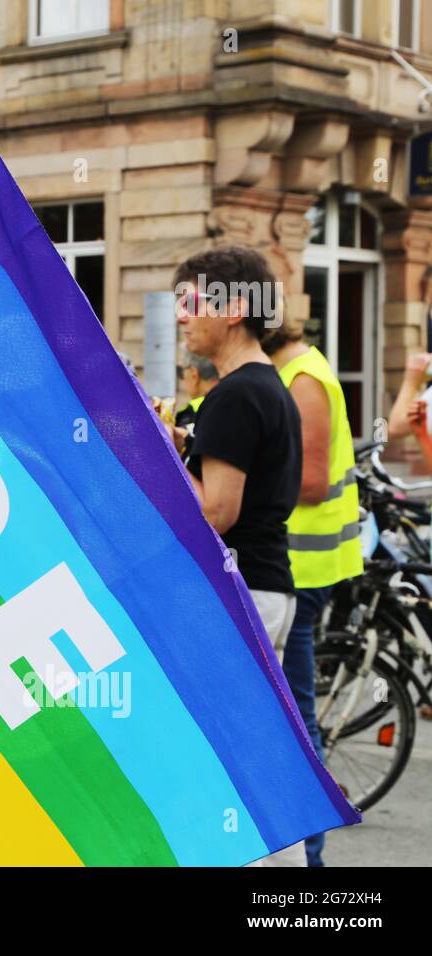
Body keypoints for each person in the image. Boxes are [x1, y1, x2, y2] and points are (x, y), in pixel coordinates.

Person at [166, 246, 306, 867]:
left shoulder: (236, 396)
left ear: (235, 308)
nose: (181, 317)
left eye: (191, 302)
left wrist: (163, 455)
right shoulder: (261, 387)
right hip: (265, 585)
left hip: (240, 587)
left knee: (223, 762)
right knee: (254, 754)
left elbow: (217, 511)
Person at [262, 321, 363, 868]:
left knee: (295, 713)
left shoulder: (305, 379)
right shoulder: (295, 372)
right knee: (292, 707)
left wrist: (240, 467)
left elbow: (311, 482)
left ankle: (312, 856)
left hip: (306, 565)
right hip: (300, 563)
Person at [175, 354, 220, 433]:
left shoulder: (190, 412)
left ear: (194, 374)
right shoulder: (232, 399)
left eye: (181, 372)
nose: (182, 379)